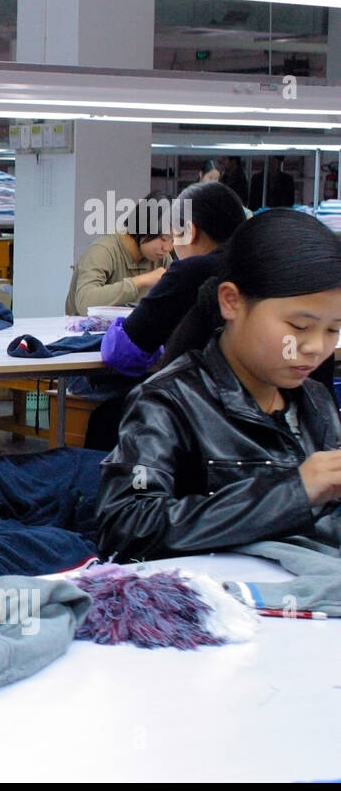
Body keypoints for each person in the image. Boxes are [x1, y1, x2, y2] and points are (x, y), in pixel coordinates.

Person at [96, 209, 341, 561]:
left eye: (333, 329)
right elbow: (127, 526)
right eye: (299, 327)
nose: (317, 347)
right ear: (231, 301)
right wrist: (294, 492)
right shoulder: (166, 404)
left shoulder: (314, 402)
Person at [85, 181, 248, 451]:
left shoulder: (190, 271)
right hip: (249, 410)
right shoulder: (258, 267)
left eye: (173, 236)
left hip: (195, 412)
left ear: (191, 231)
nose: (170, 246)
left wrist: (125, 326)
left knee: (106, 419)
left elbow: (122, 353)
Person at [65, 191, 173, 316]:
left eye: (173, 240)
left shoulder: (162, 259)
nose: (167, 248)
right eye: (164, 238)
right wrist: (140, 281)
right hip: (87, 332)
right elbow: (85, 303)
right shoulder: (103, 251)